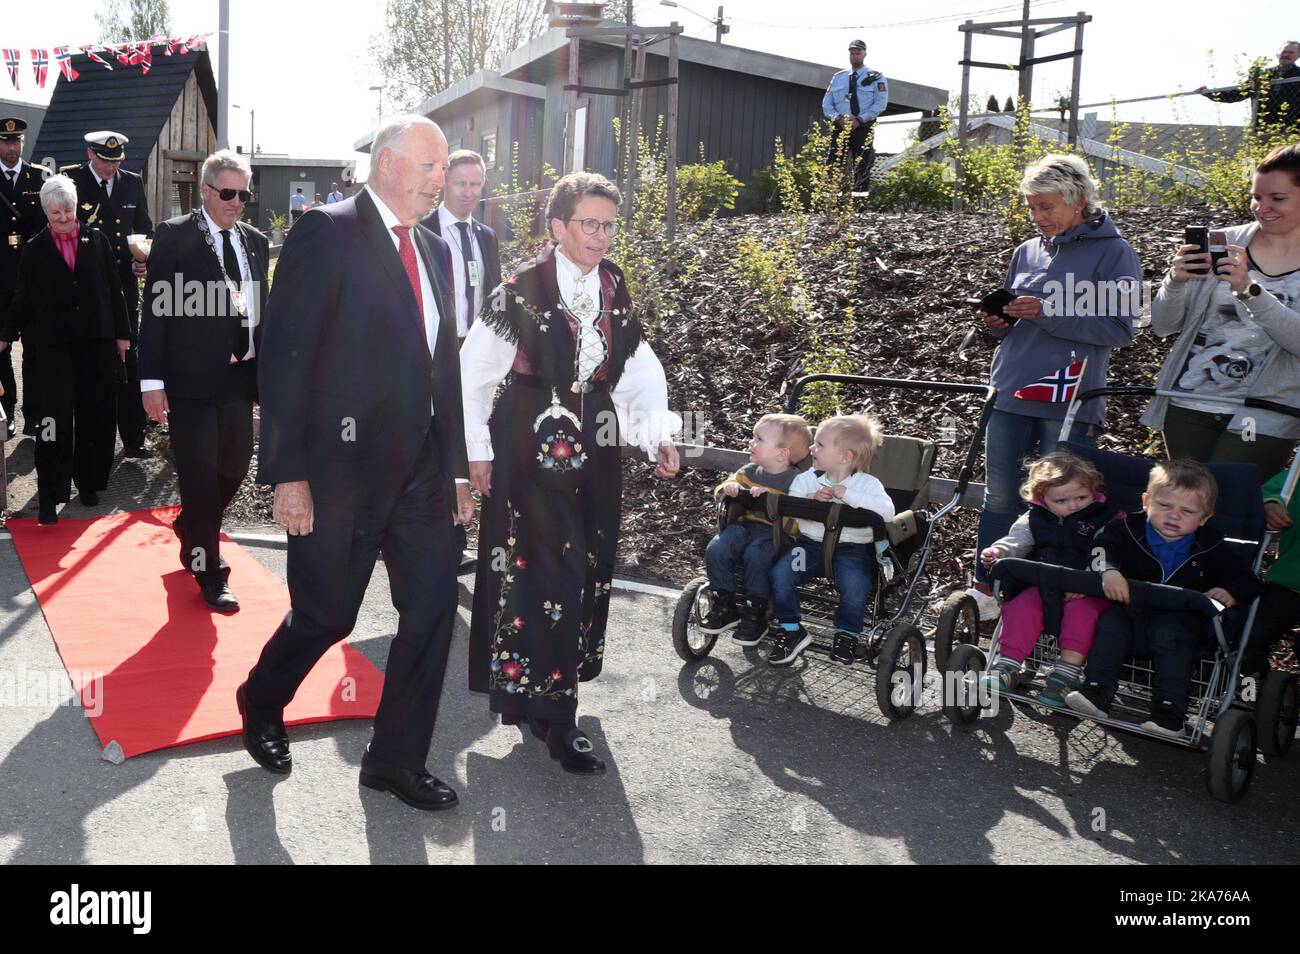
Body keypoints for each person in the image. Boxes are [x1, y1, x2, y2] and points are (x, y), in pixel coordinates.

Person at [243, 116, 472, 812]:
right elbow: (285, 357)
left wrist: (458, 469)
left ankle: (394, 760)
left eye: (445, 169)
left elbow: (443, 367)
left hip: (421, 471)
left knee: (432, 607)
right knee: (327, 615)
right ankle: (262, 696)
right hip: (339, 471)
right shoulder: (327, 231)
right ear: (390, 163)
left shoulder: (435, 247)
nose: (442, 181)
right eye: (431, 167)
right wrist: (288, 473)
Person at [460, 171, 681, 775]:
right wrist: (475, 450)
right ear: (557, 226)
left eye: (608, 225)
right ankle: (557, 718)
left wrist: (657, 434)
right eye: (589, 223)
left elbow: (636, 368)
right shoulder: (519, 289)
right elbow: (474, 373)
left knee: (583, 566)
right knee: (540, 571)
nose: (601, 236)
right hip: (528, 441)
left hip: (596, 441)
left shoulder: (613, 286)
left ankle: (537, 699)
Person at [966, 154, 1141, 622]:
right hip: (1011, 389)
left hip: (1069, 399)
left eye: (1046, 206)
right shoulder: (1027, 251)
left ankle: (1052, 595)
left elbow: (1120, 330)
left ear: (1078, 200)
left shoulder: (1114, 252)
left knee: (1063, 501)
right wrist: (998, 323)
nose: (1037, 216)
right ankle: (986, 589)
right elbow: (1017, 321)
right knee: (998, 497)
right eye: (1031, 207)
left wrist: (1047, 313)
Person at [139, 150, 269, 612]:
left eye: (244, 194)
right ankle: (209, 571)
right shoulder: (175, 236)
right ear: (206, 191)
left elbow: (263, 309)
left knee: (234, 466)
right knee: (198, 477)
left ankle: (192, 525)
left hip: (240, 377)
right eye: (228, 193)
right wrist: (151, 381)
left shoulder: (255, 241)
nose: (237, 203)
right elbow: (156, 311)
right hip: (190, 381)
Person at [1065, 460, 1260, 739]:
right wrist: (1109, 570)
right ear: (1146, 502)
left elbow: (1248, 579)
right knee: (1110, 624)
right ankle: (1096, 691)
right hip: (1130, 609)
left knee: (1172, 634)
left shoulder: (1213, 547)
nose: (1174, 516)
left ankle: (1170, 712)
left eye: (1187, 511)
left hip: (1181, 620)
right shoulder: (1125, 530)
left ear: (1204, 517)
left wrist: (1230, 592)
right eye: (1165, 505)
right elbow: (1100, 549)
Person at [1142, 143, 1300, 478]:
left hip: (1265, 412)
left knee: (1226, 495)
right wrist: (1175, 281)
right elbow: (1163, 326)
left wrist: (1249, 291)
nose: (1262, 208)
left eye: (1277, 198)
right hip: (1188, 402)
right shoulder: (1223, 243)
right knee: (1186, 500)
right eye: (1256, 197)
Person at [0, 175, 129, 524]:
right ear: (45, 212)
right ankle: (50, 492)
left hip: (95, 341)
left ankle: (87, 482)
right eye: (55, 212)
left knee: (93, 414)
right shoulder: (34, 249)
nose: (63, 217)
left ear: (76, 207)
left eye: (68, 210)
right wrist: (5, 335)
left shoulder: (97, 240)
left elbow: (114, 289)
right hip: (53, 346)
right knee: (53, 420)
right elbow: (22, 298)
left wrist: (122, 334)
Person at [978, 450, 1124, 706]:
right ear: (1042, 499)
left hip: (1089, 588)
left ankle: (1065, 675)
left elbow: (1109, 551)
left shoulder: (1106, 518)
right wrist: (999, 551)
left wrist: (1088, 581)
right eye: (1062, 500)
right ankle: (1008, 665)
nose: (1074, 505)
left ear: (1093, 491)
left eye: (1081, 497)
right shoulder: (1035, 518)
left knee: (1083, 613)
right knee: (1021, 605)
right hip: (1045, 584)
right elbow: (1018, 540)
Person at [768, 414, 895, 667]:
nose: (811, 448)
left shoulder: (868, 485)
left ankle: (847, 633)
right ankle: (791, 629)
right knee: (782, 574)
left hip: (851, 549)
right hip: (808, 546)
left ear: (845, 457)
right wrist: (812, 499)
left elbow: (887, 513)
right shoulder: (807, 479)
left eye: (820, 444)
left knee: (856, 584)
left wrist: (848, 495)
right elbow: (792, 505)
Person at [66, 130, 152, 457]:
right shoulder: (72, 182)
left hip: (124, 285)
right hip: (85, 286)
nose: (111, 168)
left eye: (116, 162)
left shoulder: (132, 182)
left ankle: (133, 437)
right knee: (91, 358)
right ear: (90, 154)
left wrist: (143, 259)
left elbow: (144, 228)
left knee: (129, 357)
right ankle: (89, 437)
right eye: (105, 161)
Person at [701, 413, 812, 646]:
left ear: (782, 454)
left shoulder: (797, 480)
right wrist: (729, 487)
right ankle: (725, 603)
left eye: (759, 439)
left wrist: (773, 497)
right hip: (746, 526)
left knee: (757, 555)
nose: (751, 442)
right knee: (717, 548)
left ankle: (756, 612)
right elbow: (721, 490)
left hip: (778, 534)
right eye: (754, 437)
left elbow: (804, 509)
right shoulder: (749, 471)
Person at [421, 149, 501, 340]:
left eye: (474, 184)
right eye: (460, 183)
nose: (467, 192)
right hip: (436, 345)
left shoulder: (488, 237)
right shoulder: (421, 232)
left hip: (478, 346)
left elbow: (495, 293)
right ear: (444, 182)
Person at [0, 117, 47, 441]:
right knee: (1, 351)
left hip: (32, 282)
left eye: (16, 141)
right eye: (6, 141)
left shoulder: (40, 178)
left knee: (35, 350)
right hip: (0, 280)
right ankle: (6, 411)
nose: (12, 147)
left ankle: (33, 416)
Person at [1239, 469, 1300, 680]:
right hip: (1292, 577)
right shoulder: (1297, 474)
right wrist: (1270, 505)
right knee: (1251, 634)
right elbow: (1267, 493)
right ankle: (1252, 685)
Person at [822, 38, 889, 192]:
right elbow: (827, 104)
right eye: (852, 53)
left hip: (862, 129)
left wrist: (859, 119)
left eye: (858, 53)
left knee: (861, 169)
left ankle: (859, 204)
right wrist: (838, 119)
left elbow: (880, 104)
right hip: (840, 128)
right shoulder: (838, 78)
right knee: (833, 168)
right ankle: (833, 202)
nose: (855, 55)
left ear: (864, 54)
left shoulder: (876, 78)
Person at [1198, 41, 1300, 135]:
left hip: (1293, 129)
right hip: (1263, 129)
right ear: (1278, 54)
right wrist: (1208, 92)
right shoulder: (1263, 75)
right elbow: (1238, 93)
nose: (1286, 55)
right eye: (1284, 52)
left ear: (1298, 55)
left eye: (1291, 52)